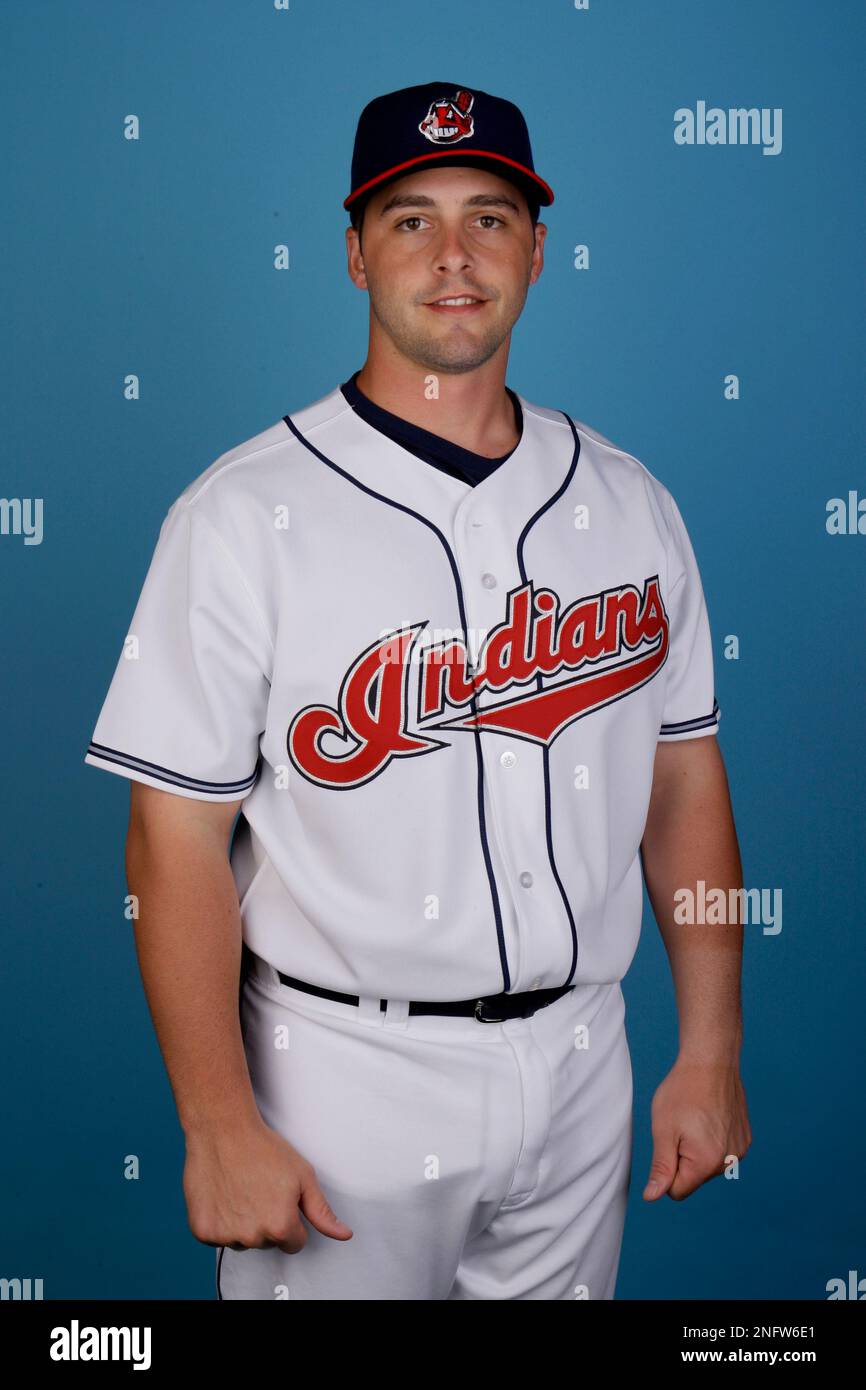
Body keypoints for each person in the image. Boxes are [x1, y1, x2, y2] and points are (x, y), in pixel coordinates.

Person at [85, 81, 750, 1301]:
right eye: (409, 220)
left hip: (582, 1054)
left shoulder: (629, 501)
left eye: (489, 218)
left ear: (537, 250)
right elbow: (171, 839)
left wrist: (708, 1046)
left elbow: (680, 777)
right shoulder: (240, 513)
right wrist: (215, 1121)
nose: (453, 255)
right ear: (351, 254)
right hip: (338, 1068)